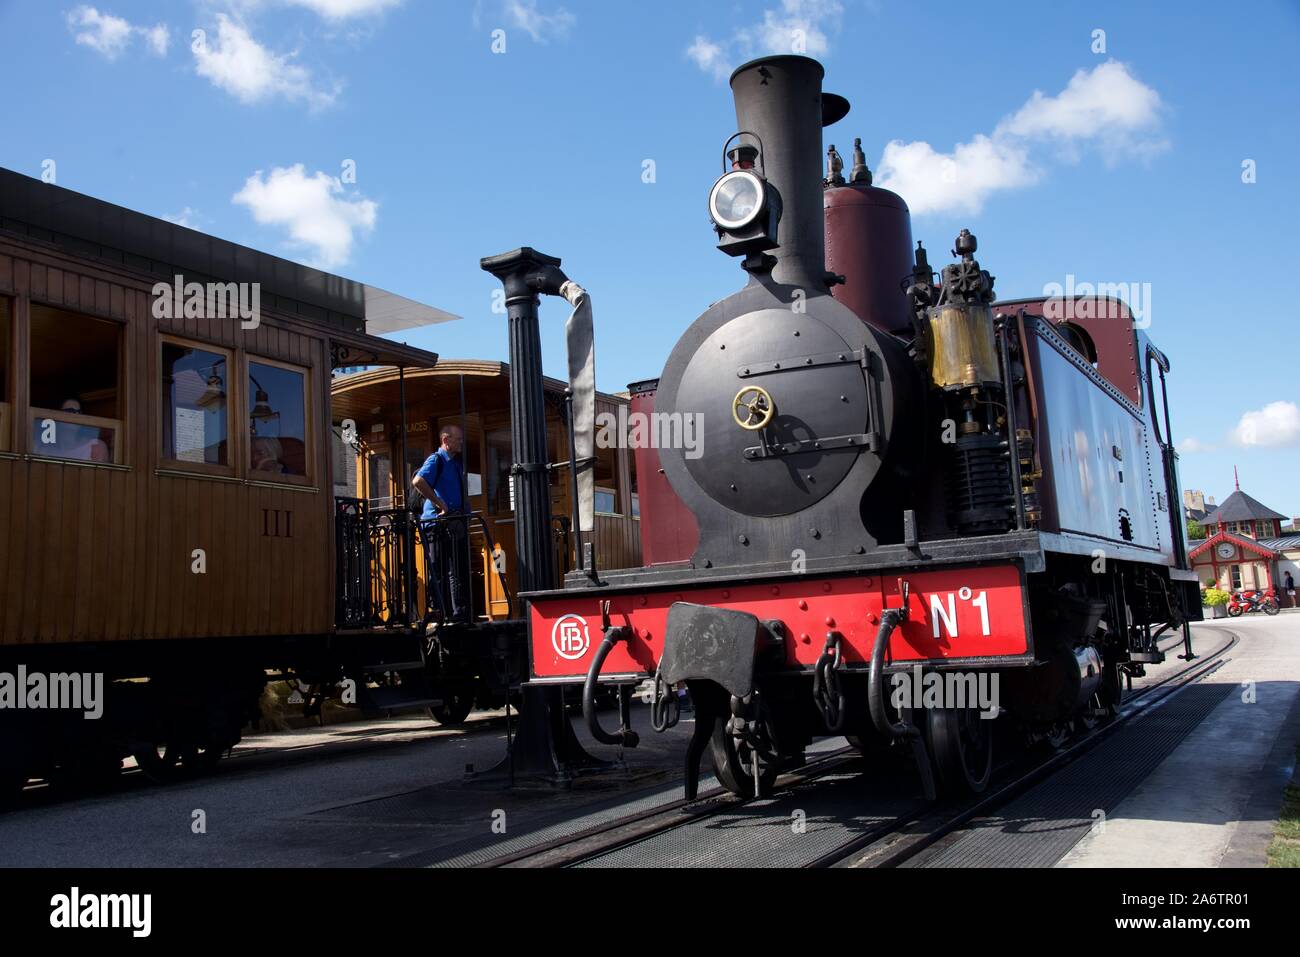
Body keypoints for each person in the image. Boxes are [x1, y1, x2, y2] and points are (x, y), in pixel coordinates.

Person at [412, 424, 467, 623]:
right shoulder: (436, 459)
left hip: (452, 523)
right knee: (439, 569)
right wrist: (440, 504)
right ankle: (439, 611)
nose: (461, 442)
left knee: (455, 569)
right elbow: (418, 481)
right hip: (435, 524)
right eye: (457, 438)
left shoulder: (455, 463)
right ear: (445, 440)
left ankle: (457, 612)